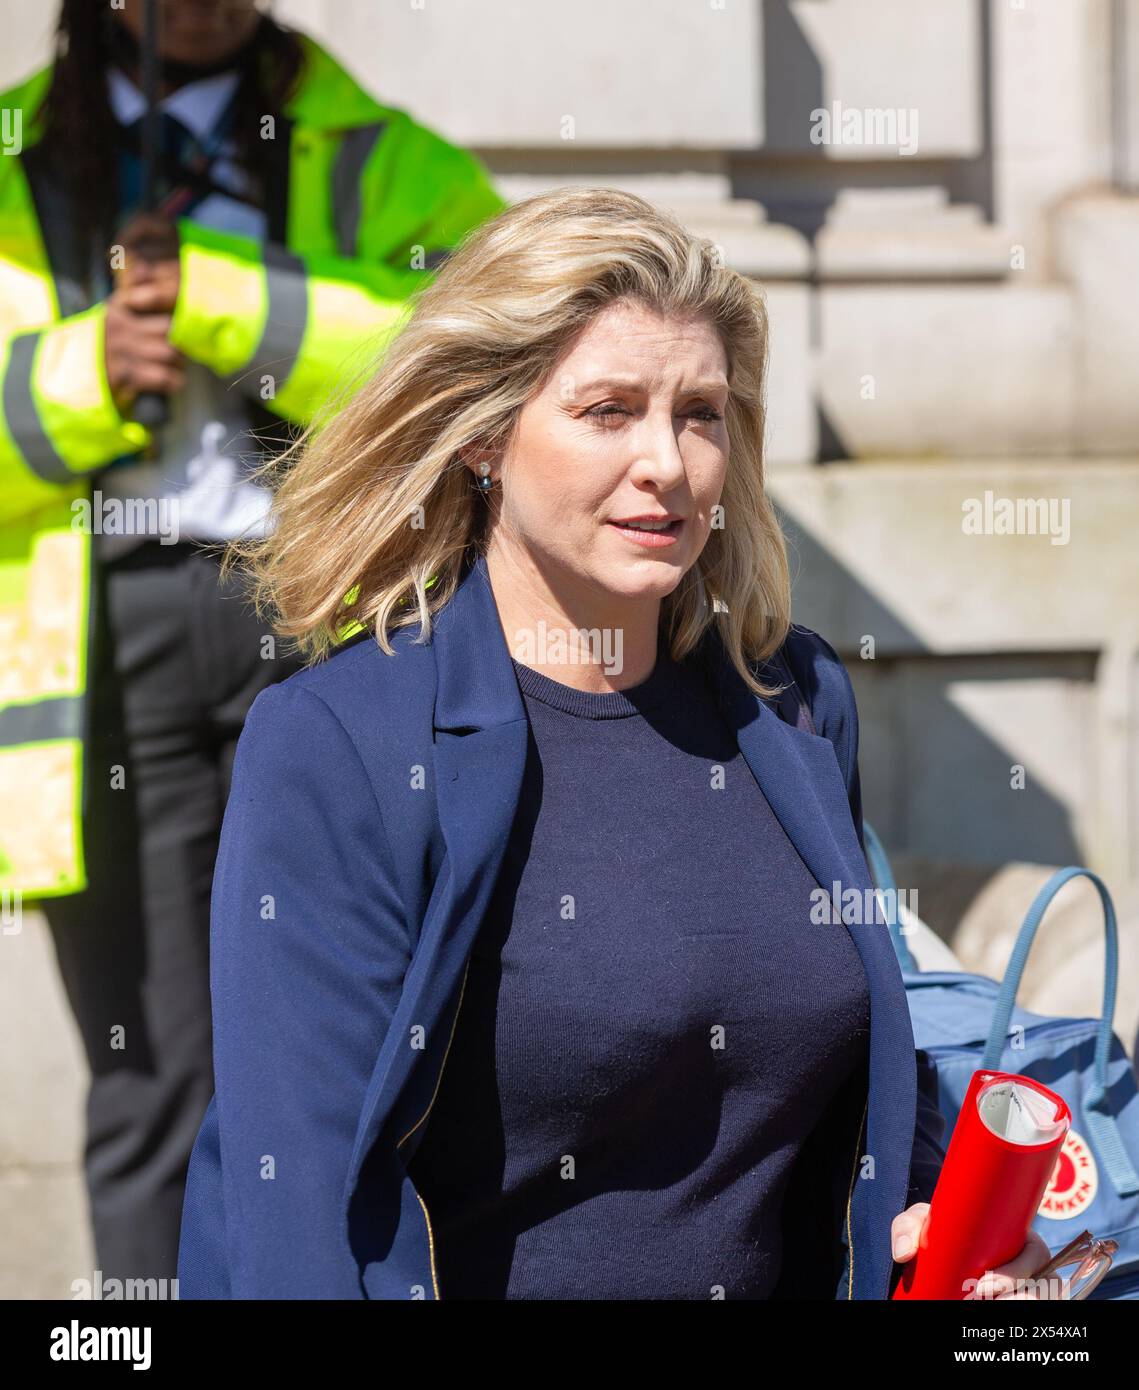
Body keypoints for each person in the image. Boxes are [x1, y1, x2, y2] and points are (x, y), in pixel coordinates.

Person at [178, 185, 1053, 1300]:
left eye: (699, 412)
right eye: (607, 411)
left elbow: (834, 1092)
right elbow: (301, 1210)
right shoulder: (339, 741)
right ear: (484, 435)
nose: (668, 462)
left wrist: (948, 1235)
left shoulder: (791, 702)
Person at [0, 0, 506, 1285]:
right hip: (107, 656)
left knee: (370, 1045)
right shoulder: (14, 163)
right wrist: (83, 374)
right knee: (156, 1078)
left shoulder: (387, 157)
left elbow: (474, 367)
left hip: (327, 624)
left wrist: (222, 303)